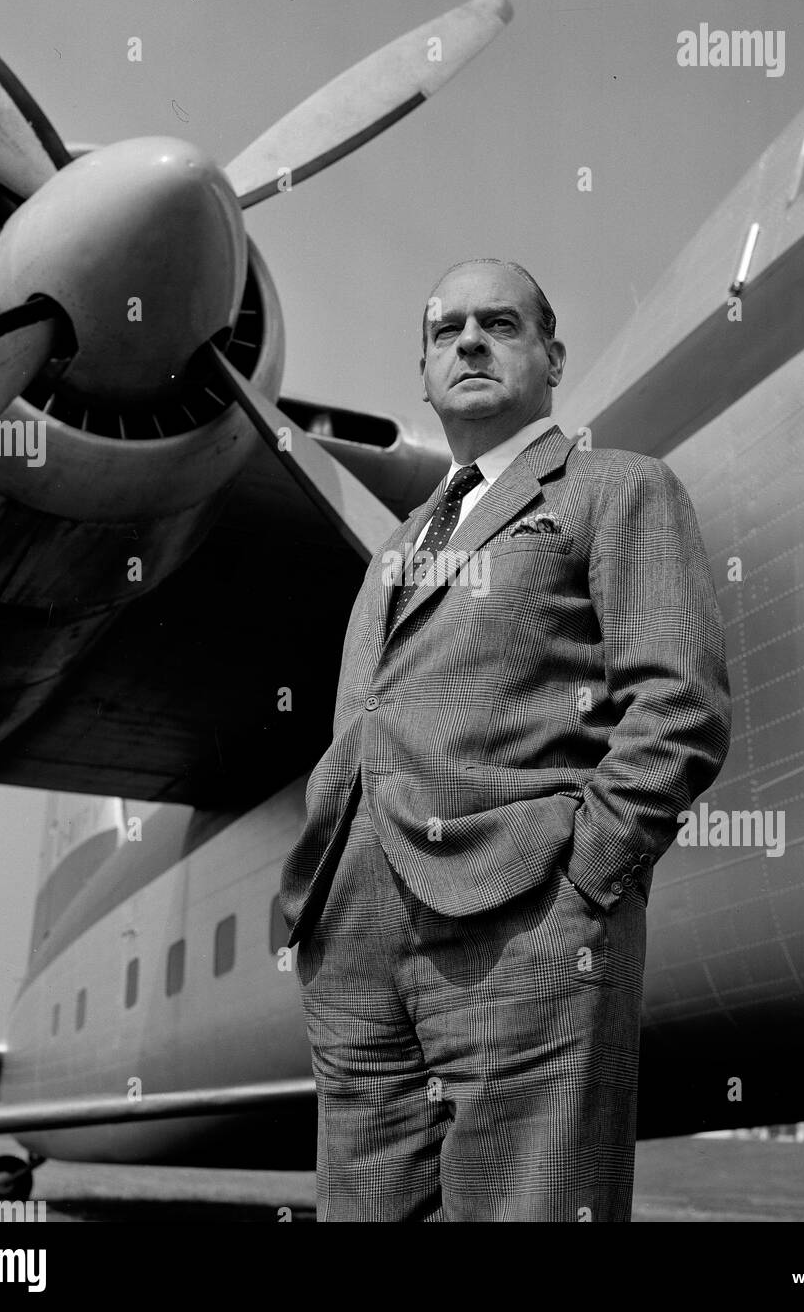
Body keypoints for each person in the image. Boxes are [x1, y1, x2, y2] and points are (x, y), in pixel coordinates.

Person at [279, 258, 731, 1221]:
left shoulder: (618, 489)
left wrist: (585, 884)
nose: (471, 344)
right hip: (353, 939)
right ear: (425, 372)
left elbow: (679, 703)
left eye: (501, 324)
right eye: (447, 332)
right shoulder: (395, 550)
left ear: (553, 356)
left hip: (523, 922)